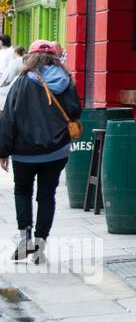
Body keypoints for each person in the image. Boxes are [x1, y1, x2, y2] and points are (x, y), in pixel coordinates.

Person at [0, 40, 82, 263]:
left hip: (24, 152)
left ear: (31, 57)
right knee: (47, 196)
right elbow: (75, 111)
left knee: (22, 191)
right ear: (55, 58)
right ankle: (39, 247)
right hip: (56, 151)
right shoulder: (65, 81)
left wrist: (3, 151)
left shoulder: (21, 82)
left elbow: (8, 118)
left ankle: (24, 236)